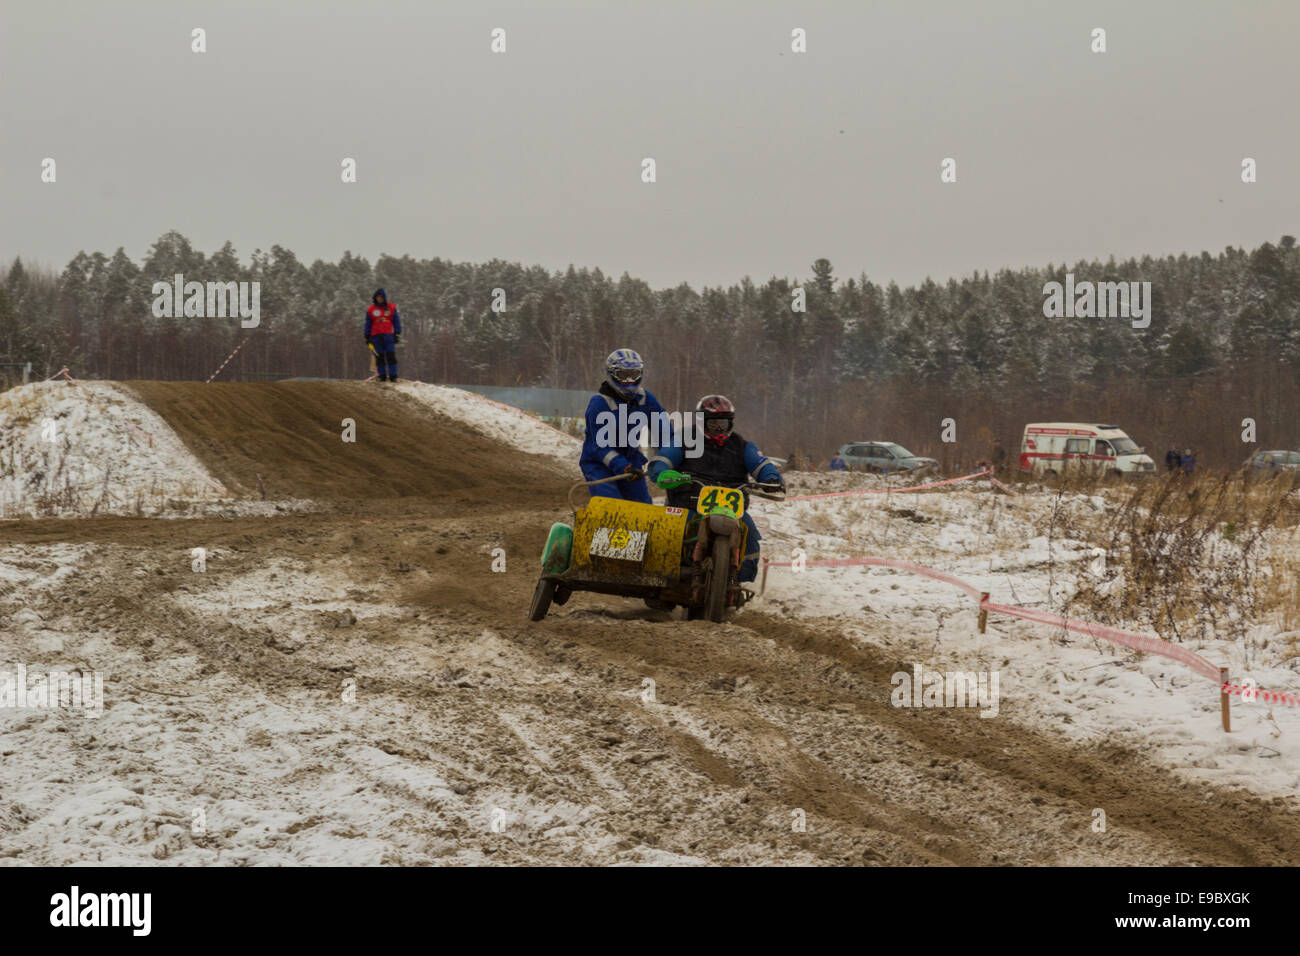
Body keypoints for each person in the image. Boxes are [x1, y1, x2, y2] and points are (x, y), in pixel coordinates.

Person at [647, 394, 783, 584]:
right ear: (703, 422)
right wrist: (662, 472)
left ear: (730, 423)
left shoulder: (742, 446)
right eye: (714, 424)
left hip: (731, 511)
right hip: (688, 506)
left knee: (749, 531)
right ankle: (659, 576)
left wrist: (771, 478)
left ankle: (738, 580)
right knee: (669, 530)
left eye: (723, 424)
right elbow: (663, 458)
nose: (719, 429)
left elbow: (761, 463)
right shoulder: (684, 440)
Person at [579, 349, 665, 504]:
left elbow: (664, 432)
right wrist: (624, 467)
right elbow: (599, 447)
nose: (630, 381)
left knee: (643, 507)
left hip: (631, 460)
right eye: (624, 376)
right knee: (612, 506)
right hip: (598, 462)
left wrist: (667, 457)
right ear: (612, 375)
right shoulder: (599, 403)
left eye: (634, 375)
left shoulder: (645, 399)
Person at [364, 288, 402, 382]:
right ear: (375, 298)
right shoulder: (371, 309)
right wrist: (367, 335)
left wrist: (397, 333)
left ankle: (393, 376)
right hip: (376, 336)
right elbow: (368, 323)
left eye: (381, 297)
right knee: (379, 357)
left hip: (388, 335)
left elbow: (396, 321)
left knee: (391, 356)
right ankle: (382, 376)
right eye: (377, 297)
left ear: (384, 297)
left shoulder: (391, 308)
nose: (379, 299)